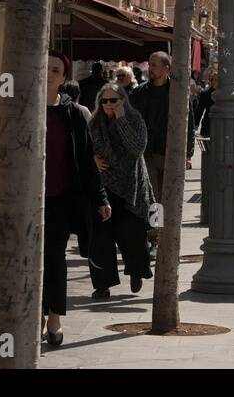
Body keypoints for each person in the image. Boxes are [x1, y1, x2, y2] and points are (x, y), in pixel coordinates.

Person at [0, 51, 111, 346]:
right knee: (23, 260)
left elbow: (85, 160)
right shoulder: (14, 108)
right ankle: (31, 316)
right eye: (44, 67)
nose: (49, 73)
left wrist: (100, 197)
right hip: (18, 201)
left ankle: (55, 317)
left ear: (64, 78)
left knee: (55, 259)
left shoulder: (72, 114)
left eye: (56, 70)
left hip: (59, 200)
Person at [88, 82, 155, 298]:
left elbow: (136, 148)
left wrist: (121, 120)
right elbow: (81, 148)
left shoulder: (134, 119)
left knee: (133, 234)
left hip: (131, 187)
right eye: (104, 101)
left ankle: (136, 271)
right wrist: (92, 161)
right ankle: (102, 284)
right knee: (100, 238)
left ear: (123, 100)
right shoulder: (94, 123)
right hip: (102, 186)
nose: (108, 104)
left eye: (113, 100)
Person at [129, 51, 195, 256]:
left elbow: (189, 124)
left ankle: (165, 237)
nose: (151, 69)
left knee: (168, 199)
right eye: (150, 64)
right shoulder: (138, 93)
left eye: (155, 65)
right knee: (153, 199)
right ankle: (155, 238)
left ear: (167, 69)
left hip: (170, 153)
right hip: (146, 153)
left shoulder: (178, 93)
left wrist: (188, 153)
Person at [193, 71, 218, 138]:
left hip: (220, 125)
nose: (215, 82)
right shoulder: (205, 94)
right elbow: (200, 110)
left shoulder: (223, 95)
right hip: (207, 125)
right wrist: (196, 124)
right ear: (211, 81)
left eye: (217, 80)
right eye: (213, 79)